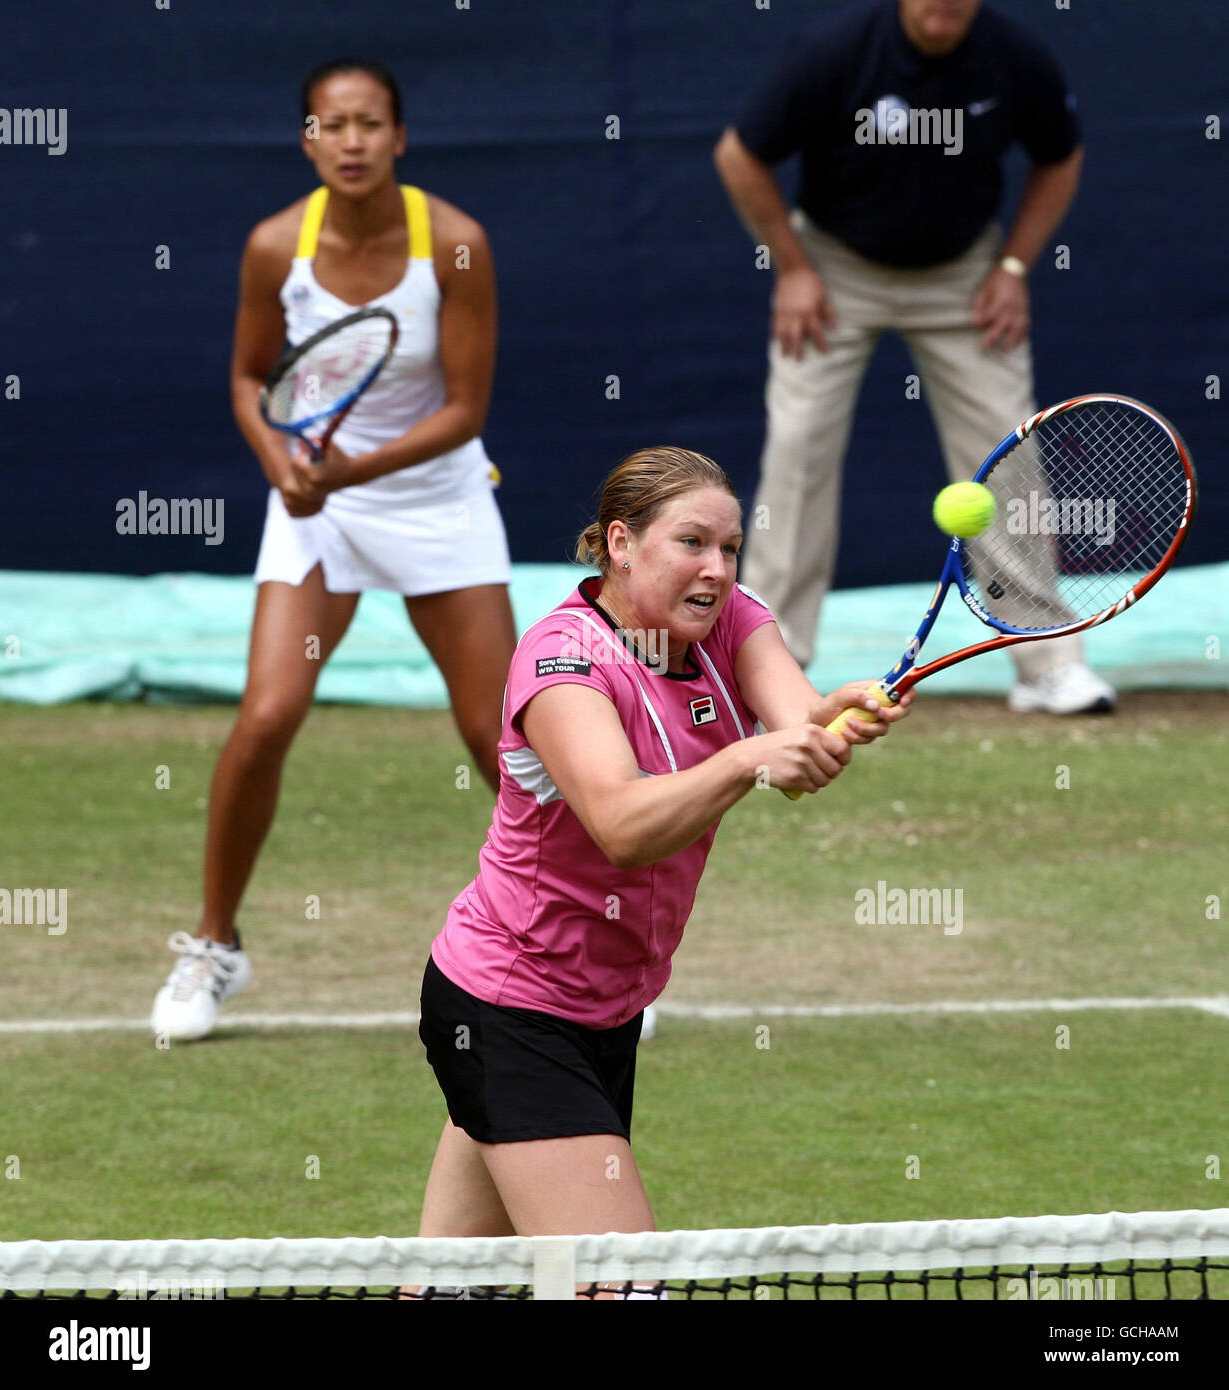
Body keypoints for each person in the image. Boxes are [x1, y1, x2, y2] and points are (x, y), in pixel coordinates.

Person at [414, 446, 911, 1273]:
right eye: (691, 544)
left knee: (455, 1290)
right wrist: (748, 760)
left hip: (604, 1011)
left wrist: (832, 719)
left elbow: (794, 724)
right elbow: (620, 823)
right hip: (509, 1008)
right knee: (621, 1285)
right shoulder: (561, 664)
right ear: (620, 543)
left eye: (729, 548)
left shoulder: (729, 618)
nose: (715, 569)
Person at [151, 59, 516, 1041]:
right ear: (309, 141)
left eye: (369, 124)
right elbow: (246, 378)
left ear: (400, 137)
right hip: (319, 509)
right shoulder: (276, 245)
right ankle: (214, 948)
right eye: (331, 125)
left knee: (502, 737)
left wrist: (345, 471)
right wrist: (282, 460)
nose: (351, 140)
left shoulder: (458, 246)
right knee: (267, 714)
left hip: (437, 502)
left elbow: (465, 410)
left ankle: (591, 945)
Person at [713, 0, 1116, 716]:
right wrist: (795, 268)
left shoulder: (1014, 55)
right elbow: (740, 154)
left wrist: (1015, 268)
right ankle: (764, 672)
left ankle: (1047, 662)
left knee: (1008, 454)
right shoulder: (832, 52)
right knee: (799, 451)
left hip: (963, 273)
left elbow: (1061, 156)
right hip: (836, 267)